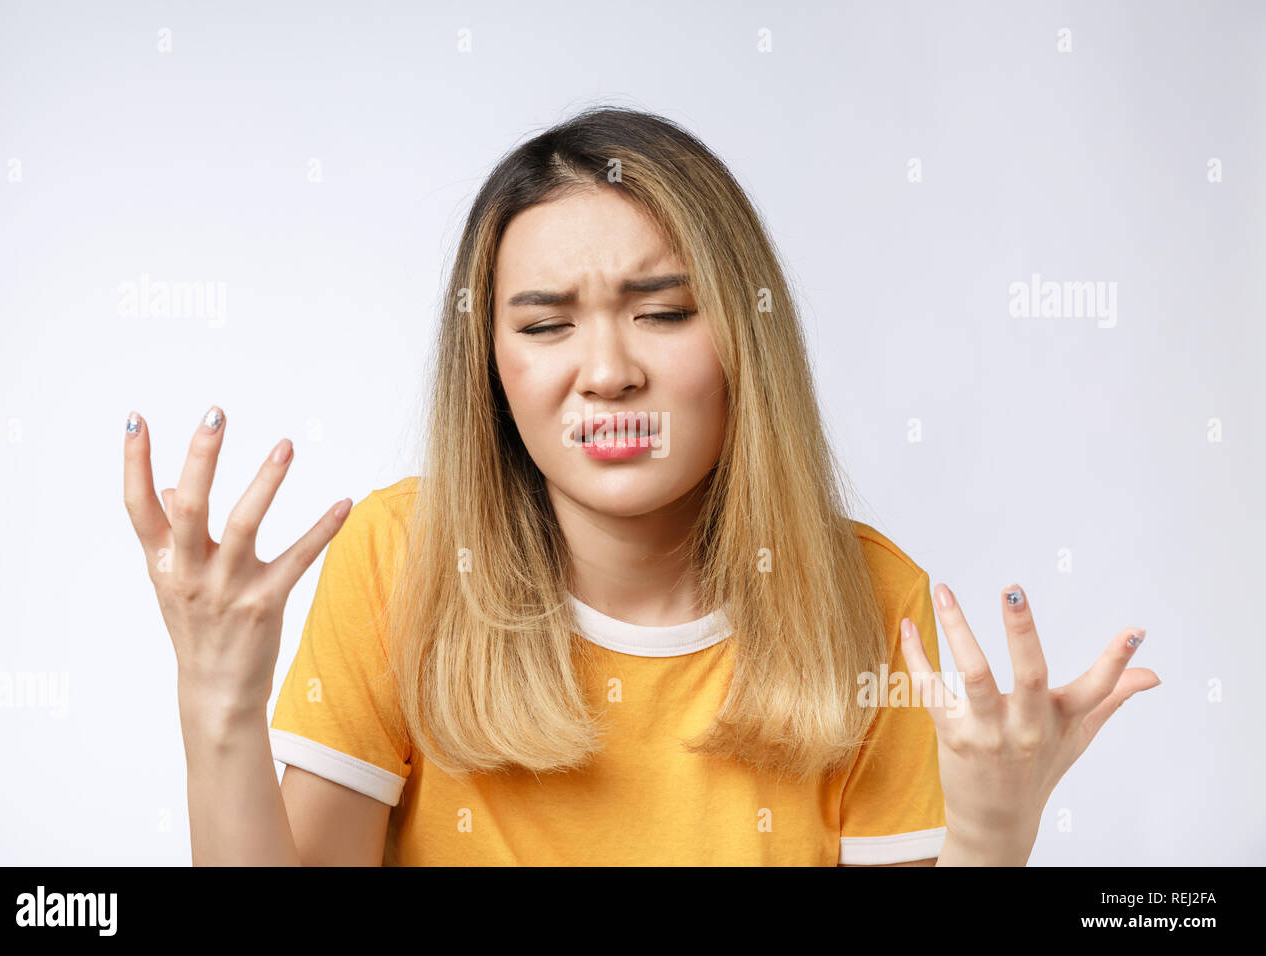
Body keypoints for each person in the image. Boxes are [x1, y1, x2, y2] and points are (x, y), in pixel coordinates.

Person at [121, 106, 1160, 866]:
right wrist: (218, 697)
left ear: (744, 341)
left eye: (662, 312)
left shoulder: (876, 605)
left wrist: (989, 834)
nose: (608, 369)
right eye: (542, 325)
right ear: (491, 368)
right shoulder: (404, 556)